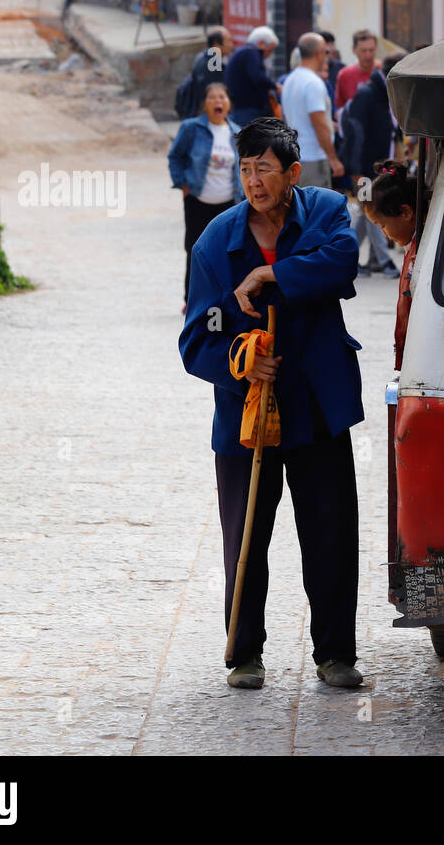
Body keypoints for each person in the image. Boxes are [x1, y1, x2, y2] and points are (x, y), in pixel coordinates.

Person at [179, 117, 365, 690]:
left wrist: (273, 273)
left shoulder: (328, 210)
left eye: (265, 168)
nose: (254, 180)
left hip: (317, 407)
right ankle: (244, 654)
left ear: (293, 173)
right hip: (247, 416)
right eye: (246, 167)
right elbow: (196, 340)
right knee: (245, 536)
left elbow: (341, 264)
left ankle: (335, 654)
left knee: (330, 532)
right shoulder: (215, 241)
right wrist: (240, 359)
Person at [167, 82, 243, 306]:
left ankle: (224, 298)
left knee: (227, 251)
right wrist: (181, 184)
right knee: (195, 249)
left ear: (229, 104)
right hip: (198, 200)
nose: (218, 101)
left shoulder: (237, 133)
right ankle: (191, 300)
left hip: (229, 202)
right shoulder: (191, 128)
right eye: (212, 97)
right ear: (205, 104)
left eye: (222, 97)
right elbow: (175, 157)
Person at [342, 51, 406, 277]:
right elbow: (356, 135)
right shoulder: (368, 94)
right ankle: (386, 262)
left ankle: (343, 256)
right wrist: (357, 170)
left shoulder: (384, 93)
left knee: (365, 213)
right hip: (366, 167)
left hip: (378, 166)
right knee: (372, 210)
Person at [362, 160, 417, 370]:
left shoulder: (420, 252)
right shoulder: (413, 247)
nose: (384, 234)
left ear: (405, 213)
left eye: (382, 225)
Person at [280, 32, 344, 190]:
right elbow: (320, 124)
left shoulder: (290, 79)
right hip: (313, 157)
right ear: (320, 53)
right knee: (317, 210)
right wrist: (333, 159)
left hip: (295, 154)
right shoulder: (313, 82)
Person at [224, 26, 281, 127]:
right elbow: (258, 77)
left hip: (242, 109)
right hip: (248, 111)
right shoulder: (251, 52)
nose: (269, 55)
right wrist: (275, 86)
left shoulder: (243, 52)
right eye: (270, 50)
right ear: (261, 43)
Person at [178, 26, 232, 119]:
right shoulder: (213, 65)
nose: (231, 45)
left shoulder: (203, 56)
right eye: (228, 41)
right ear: (216, 44)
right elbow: (215, 95)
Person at [334, 29, 378, 110]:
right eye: (363, 51)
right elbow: (340, 108)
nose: (368, 55)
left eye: (371, 50)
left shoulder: (385, 72)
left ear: (376, 49)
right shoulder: (344, 75)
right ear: (354, 49)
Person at [319, 30, 344, 105]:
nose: (330, 49)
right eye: (327, 44)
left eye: (332, 44)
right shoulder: (312, 70)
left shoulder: (341, 68)